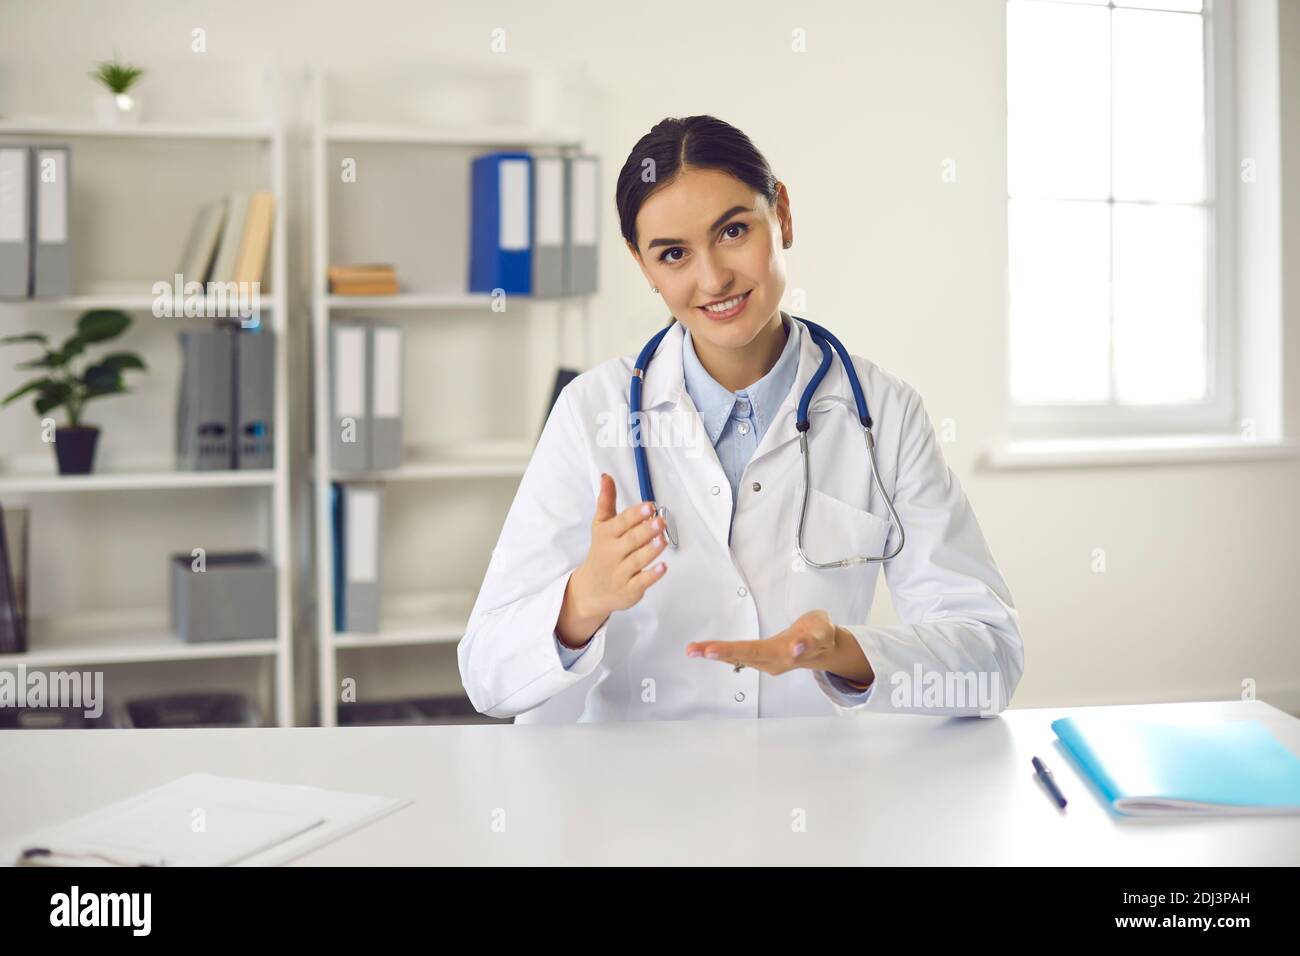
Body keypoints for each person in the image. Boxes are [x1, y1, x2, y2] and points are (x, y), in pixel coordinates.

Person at [458, 115, 1024, 723]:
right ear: (643, 266)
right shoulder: (591, 413)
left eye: (732, 231)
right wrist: (582, 601)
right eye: (673, 254)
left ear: (781, 214)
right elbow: (486, 679)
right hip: (629, 800)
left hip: (808, 796)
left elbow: (989, 668)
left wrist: (846, 653)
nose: (713, 278)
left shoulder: (882, 415)